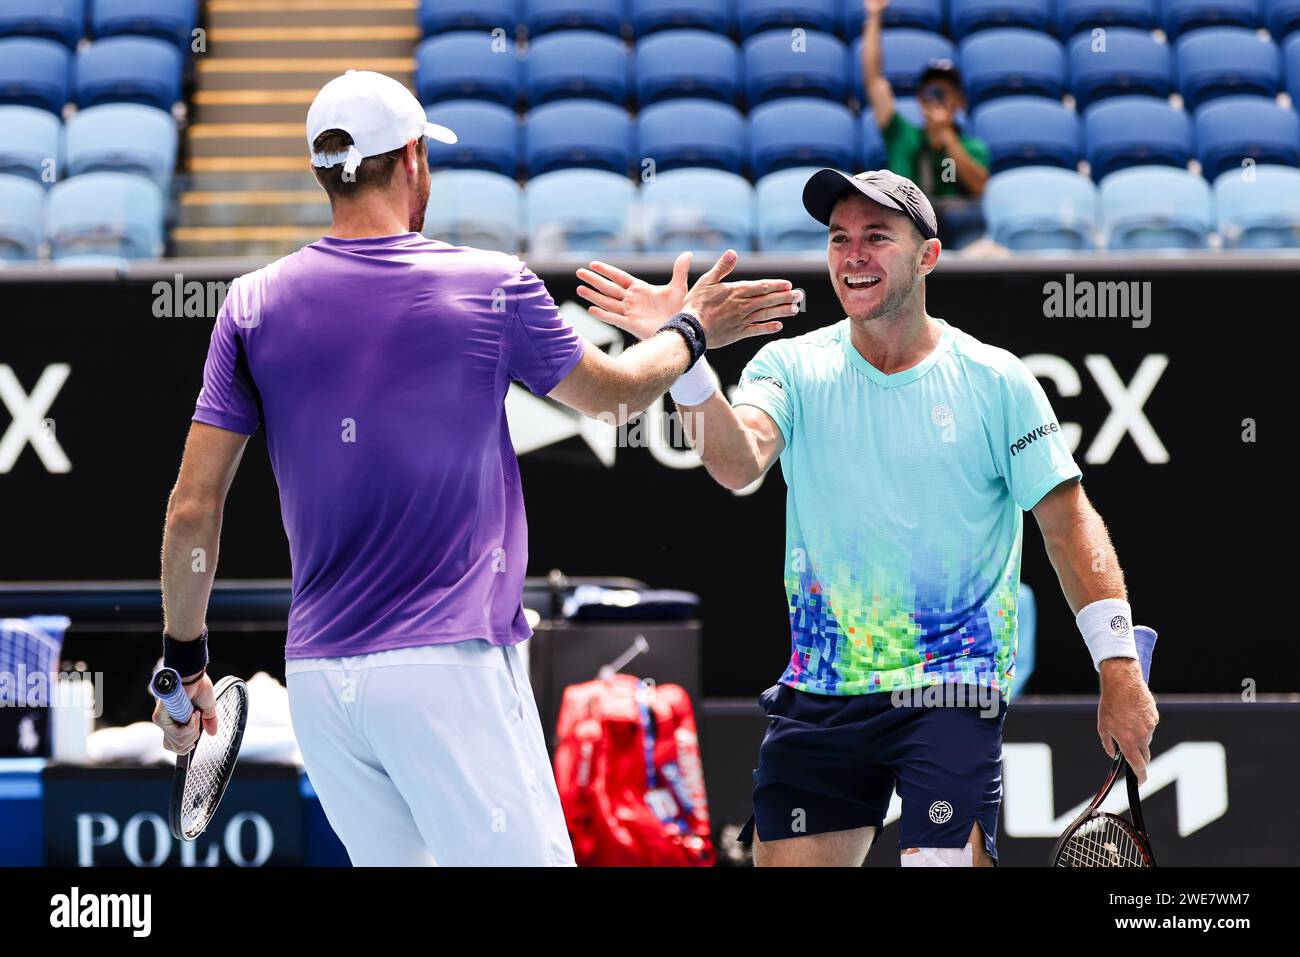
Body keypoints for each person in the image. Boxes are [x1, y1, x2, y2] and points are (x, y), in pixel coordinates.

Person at [151, 70, 801, 866]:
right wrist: (692, 332)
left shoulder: (250, 304)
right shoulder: (489, 282)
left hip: (321, 682)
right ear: (414, 159)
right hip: (447, 668)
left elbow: (192, 510)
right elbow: (615, 398)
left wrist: (182, 662)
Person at [575, 168, 1159, 866]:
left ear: (928, 256)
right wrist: (689, 358)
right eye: (839, 237)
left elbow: (1069, 526)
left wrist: (1118, 665)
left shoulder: (997, 380)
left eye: (877, 237)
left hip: (952, 683)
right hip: (822, 690)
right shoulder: (791, 366)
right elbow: (736, 461)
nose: (853, 254)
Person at [862, 0, 990, 248]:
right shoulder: (902, 134)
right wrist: (874, 17)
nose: (935, 100)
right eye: (930, 93)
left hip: (960, 236)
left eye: (945, 93)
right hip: (906, 231)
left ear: (960, 102)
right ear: (920, 100)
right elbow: (874, 82)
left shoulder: (971, 147)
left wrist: (947, 138)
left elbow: (979, 190)